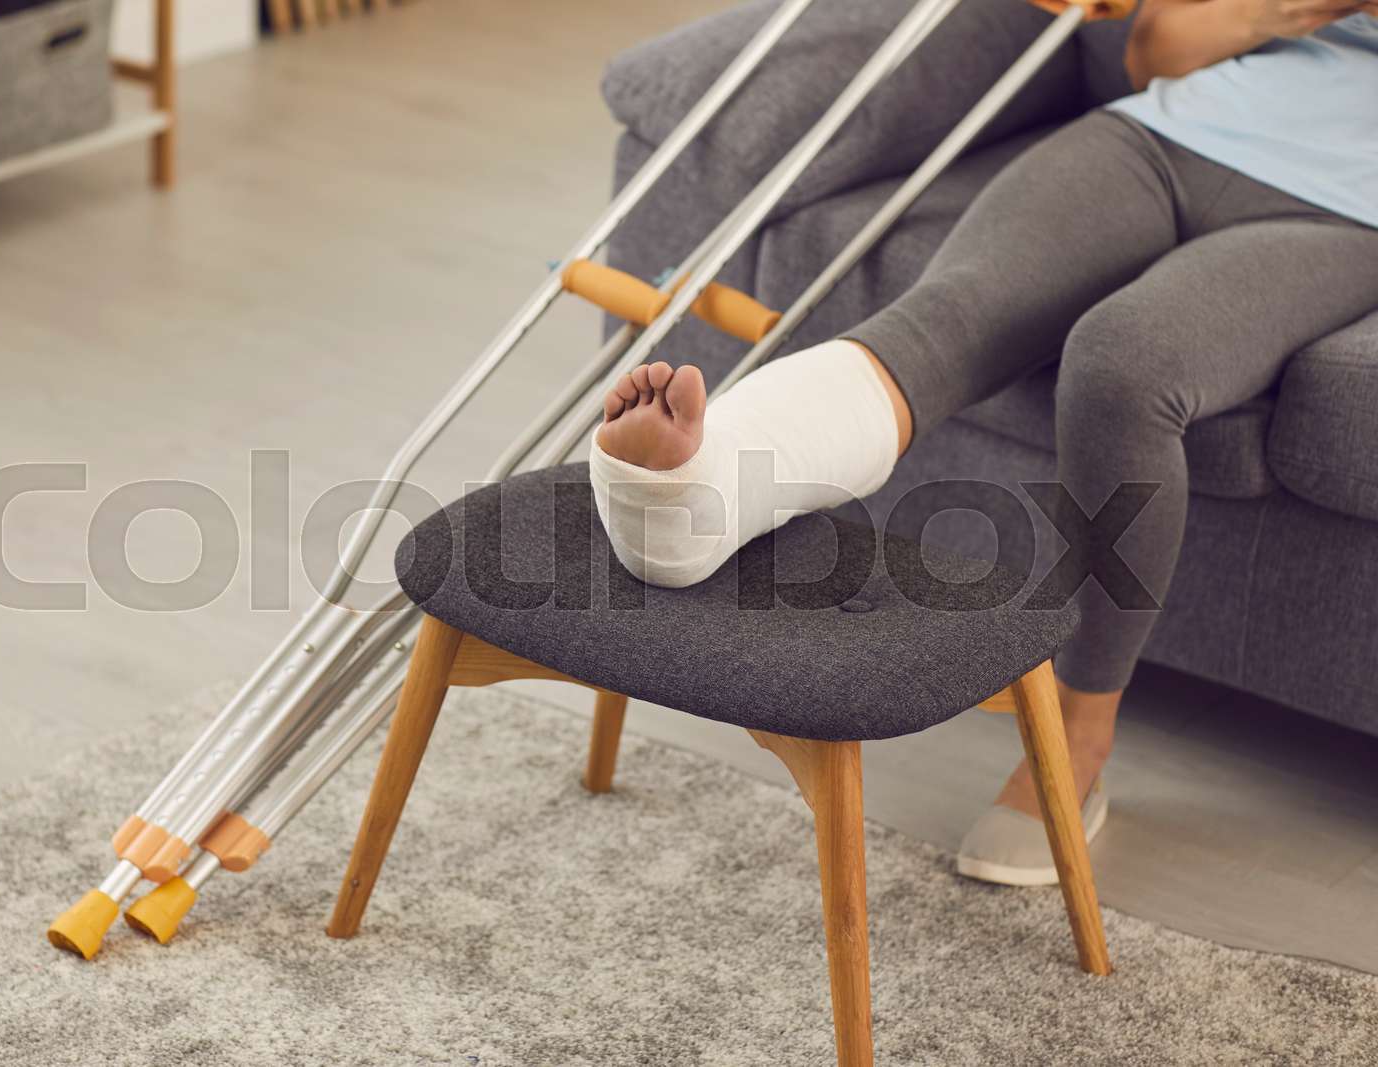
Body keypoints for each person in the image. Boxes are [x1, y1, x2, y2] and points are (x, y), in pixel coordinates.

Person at [587, 1, 1378, 884]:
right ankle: (699, 488)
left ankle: (1078, 735)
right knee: (947, 317)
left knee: (1123, 365)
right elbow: (1155, 50)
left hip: (1346, 213)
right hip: (1158, 140)